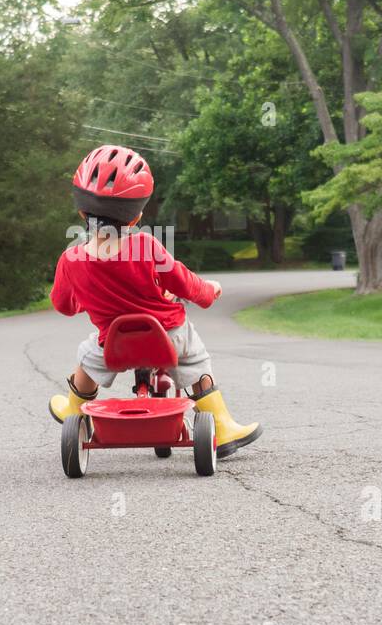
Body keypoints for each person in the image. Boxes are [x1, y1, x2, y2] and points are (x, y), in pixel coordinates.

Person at [47, 144, 262, 457]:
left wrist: (87, 300)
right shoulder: (146, 246)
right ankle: (222, 425)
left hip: (114, 347)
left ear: (81, 212)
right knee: (196, 362)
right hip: (167, 338)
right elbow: (184, 283)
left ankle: (73, 409)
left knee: (87, 358)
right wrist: (209, 291)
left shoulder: (71, 259)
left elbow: (64, 305)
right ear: (136, 216)